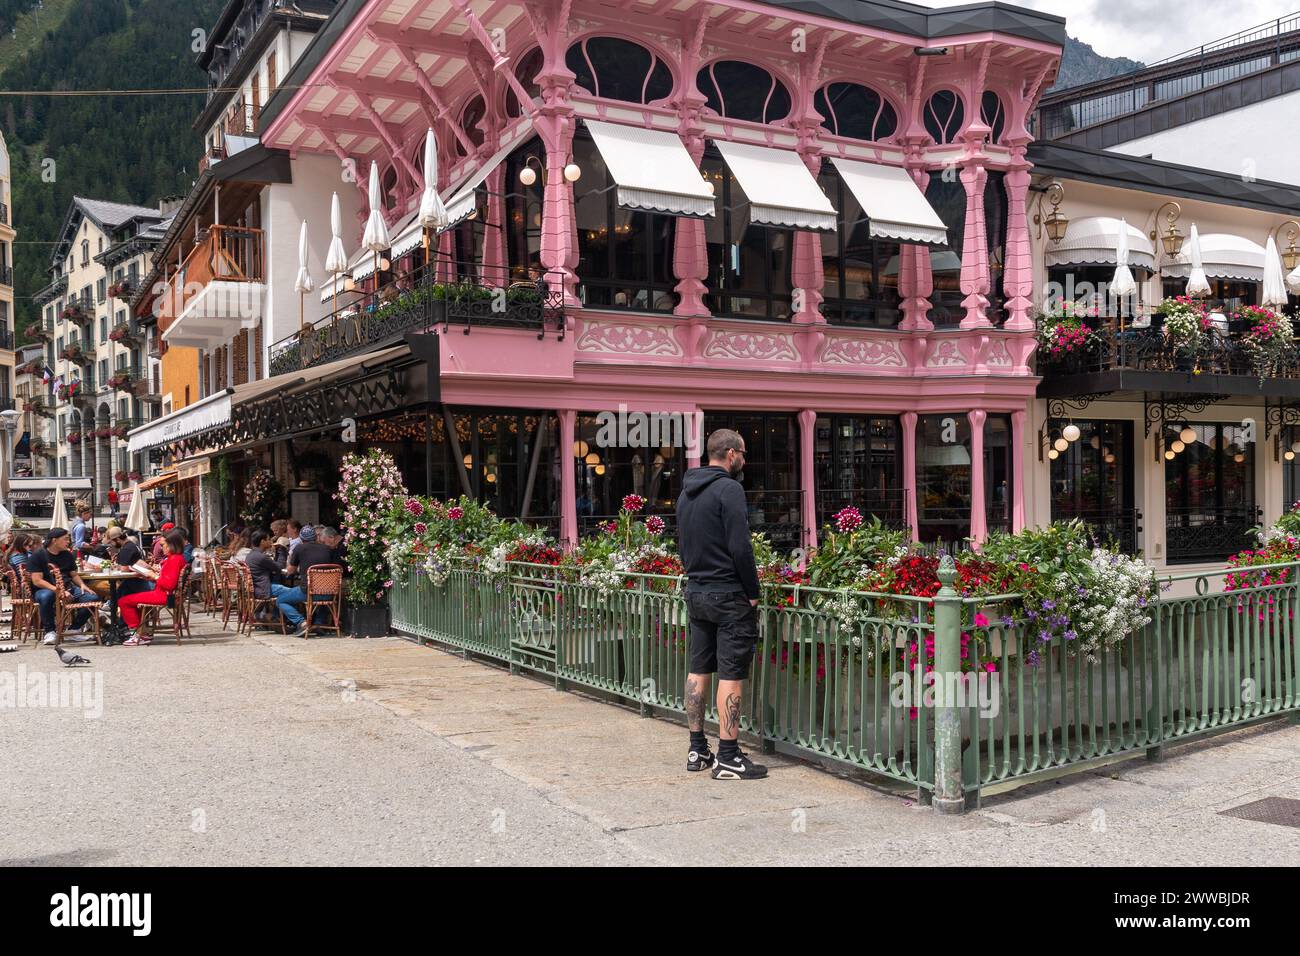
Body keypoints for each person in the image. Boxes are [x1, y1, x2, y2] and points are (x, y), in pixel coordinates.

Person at [675, 428, 766, 780]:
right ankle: (728, 755)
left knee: (698, 669)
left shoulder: (686, 494)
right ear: (730, 453)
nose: (745, 459)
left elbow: (683, 545)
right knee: (731, 673)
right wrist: (752, 589)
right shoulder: (730, 489)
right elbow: (740, 546)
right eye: (743, 452)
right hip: (729, 594)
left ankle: (697, 750)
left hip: (697, 591)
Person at [119, 530, 188, 646]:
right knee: (130, 598)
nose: (161, 548)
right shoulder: (176, 558)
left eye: (163, 545)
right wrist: (150, 576)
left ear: (171, 545)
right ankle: (141, 632)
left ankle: (138, 633)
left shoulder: (174, 559)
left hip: (163, 595)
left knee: (124, 601)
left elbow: (169, 584)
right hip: (164, 593)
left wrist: (154, 576)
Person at [29, 528, 96, 645]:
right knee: (46, 597)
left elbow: (73, 574)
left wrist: (82, 585)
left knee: (92, 598)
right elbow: (37, 580)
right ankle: (50, 631)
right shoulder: (39, 555)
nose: (68, 542)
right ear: (54, 540)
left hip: (68, 587)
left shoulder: (67, 554)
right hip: (45, 588)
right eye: (65, 539)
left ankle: (74, 629)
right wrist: (57, 590)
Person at [247, 529, 306, 636]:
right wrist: (282, 550)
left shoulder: (252, 555)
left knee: (283, 597)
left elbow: (273, 568)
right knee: (294, 593)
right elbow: (279, 567)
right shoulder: (261, 557)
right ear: (262, 542)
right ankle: (300, 621)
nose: (270, 541)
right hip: (264, 588)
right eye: (268, 539)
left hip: (258, 587)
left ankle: (278, 619)